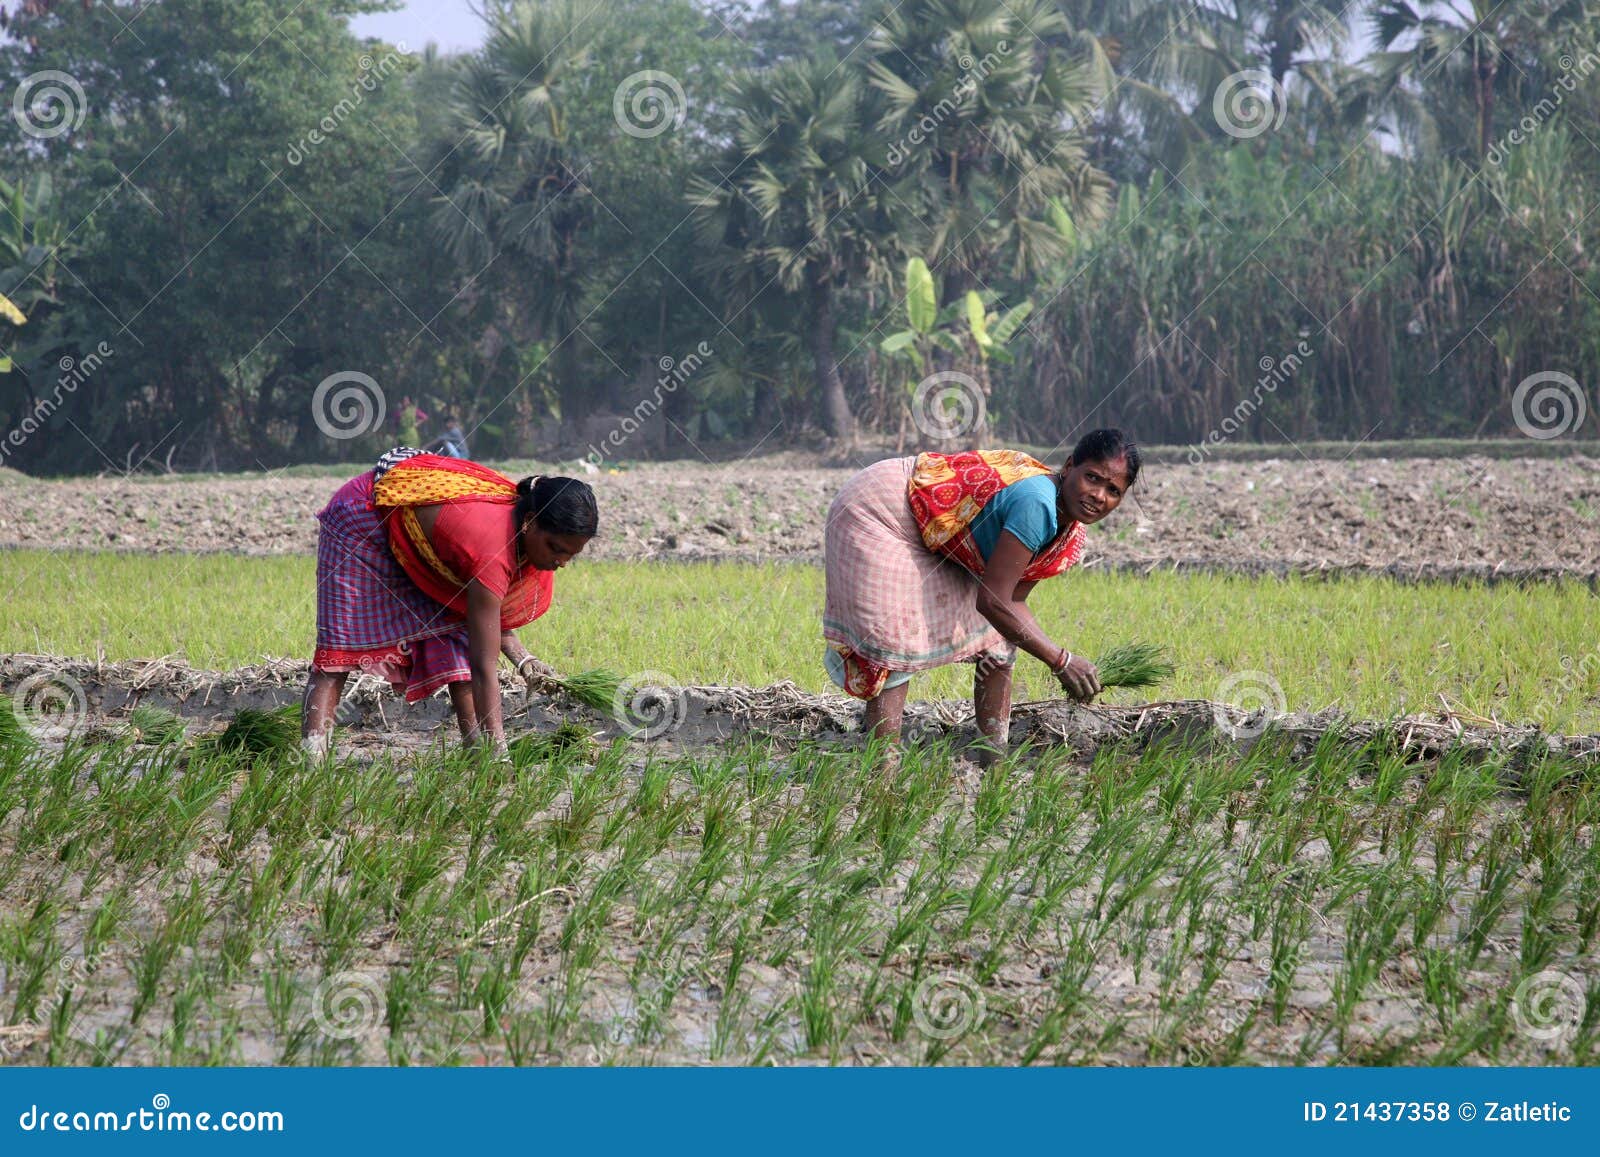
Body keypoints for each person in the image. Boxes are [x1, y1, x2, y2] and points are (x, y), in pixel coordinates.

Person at [822, 428, 1140, 758]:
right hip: (881, 509)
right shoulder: (1037, 505)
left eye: (1113, 490)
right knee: (895, 642)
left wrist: (1064, 660)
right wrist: (1061, 661)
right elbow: (992, 600)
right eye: (1093, 477)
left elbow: (1012, 602)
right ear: (1069, 466)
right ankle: (881, 776)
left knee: (998, 639)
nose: (1099, 496)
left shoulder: (1069, 529)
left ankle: (994, 764)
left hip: (933, 529)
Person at [302, 446, 598, 757]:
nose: (561, 562)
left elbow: (485, 615)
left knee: (455, 635)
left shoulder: (521, 534)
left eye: (570, 555)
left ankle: (475, 753)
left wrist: (524, 660)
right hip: (364, 516)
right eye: (556, 549)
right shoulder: (490, 552)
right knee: (340, 651)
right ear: (530, 523)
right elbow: (484, 666)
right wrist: (501, 755)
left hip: (426, 542)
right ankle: (311, 760)